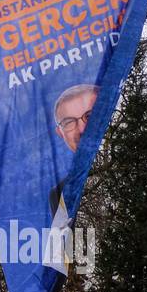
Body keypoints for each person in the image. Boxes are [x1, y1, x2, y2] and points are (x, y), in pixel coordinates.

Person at [48, 84, 98, 219]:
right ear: (60, 133)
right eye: (69, 122)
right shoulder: (59, 195)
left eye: (89, 116)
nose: (82, 129)